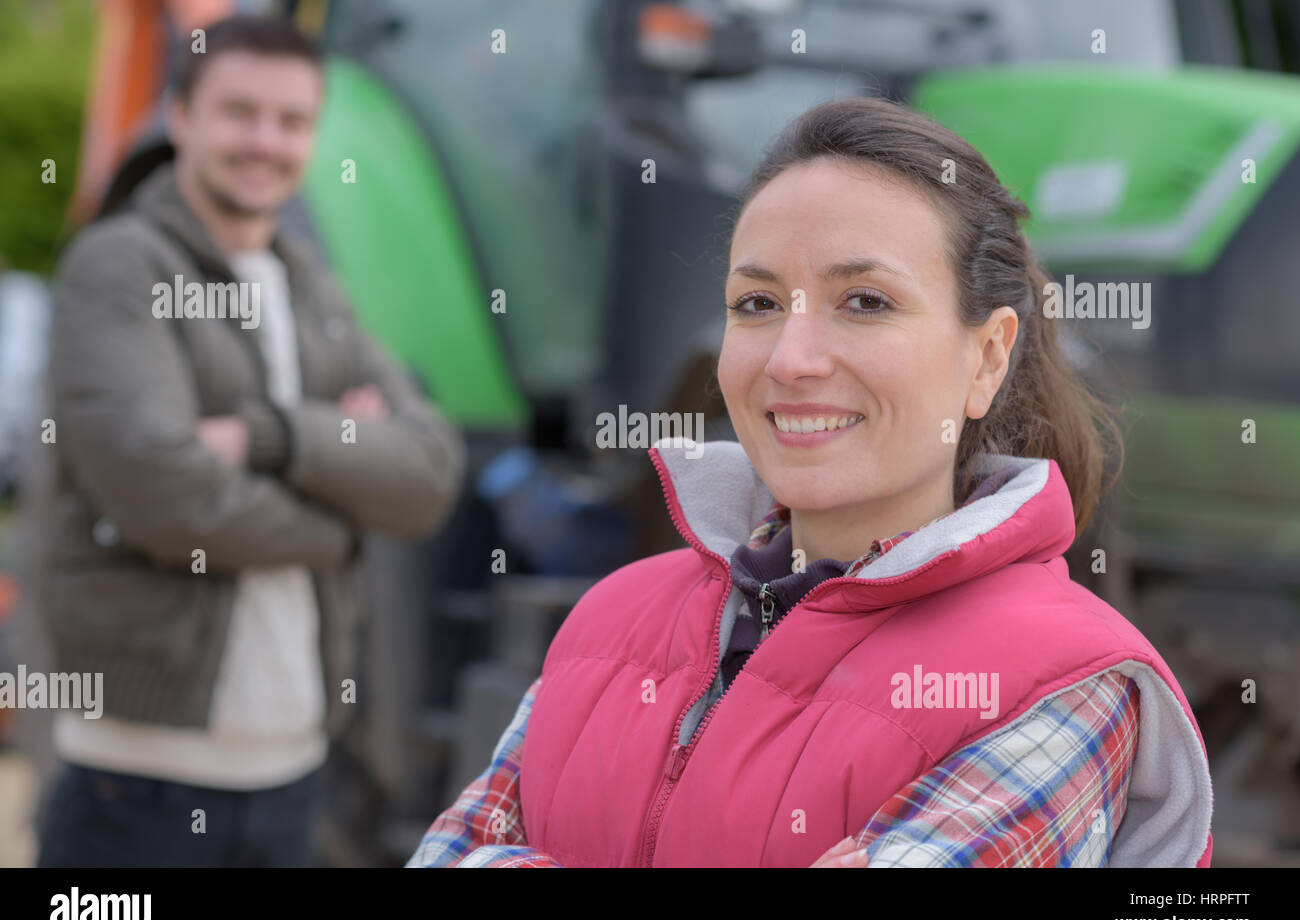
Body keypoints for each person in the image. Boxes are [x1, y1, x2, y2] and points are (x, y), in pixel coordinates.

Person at [408, 96, 1212, 868]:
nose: (791, 359)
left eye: (864, 301)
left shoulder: (1063, 688)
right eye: (756, 302)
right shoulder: (610, 619)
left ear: (988, 356)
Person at [34, 15, 465, 866]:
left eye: (292, 121)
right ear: (182, 117)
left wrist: (268, 435)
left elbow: (427, 471)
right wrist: (342, 521)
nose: (266, 141)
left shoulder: (311, 286)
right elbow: (166, 493)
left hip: (293, 774)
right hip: (137, 784)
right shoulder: (120, 266)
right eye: (240, 112)